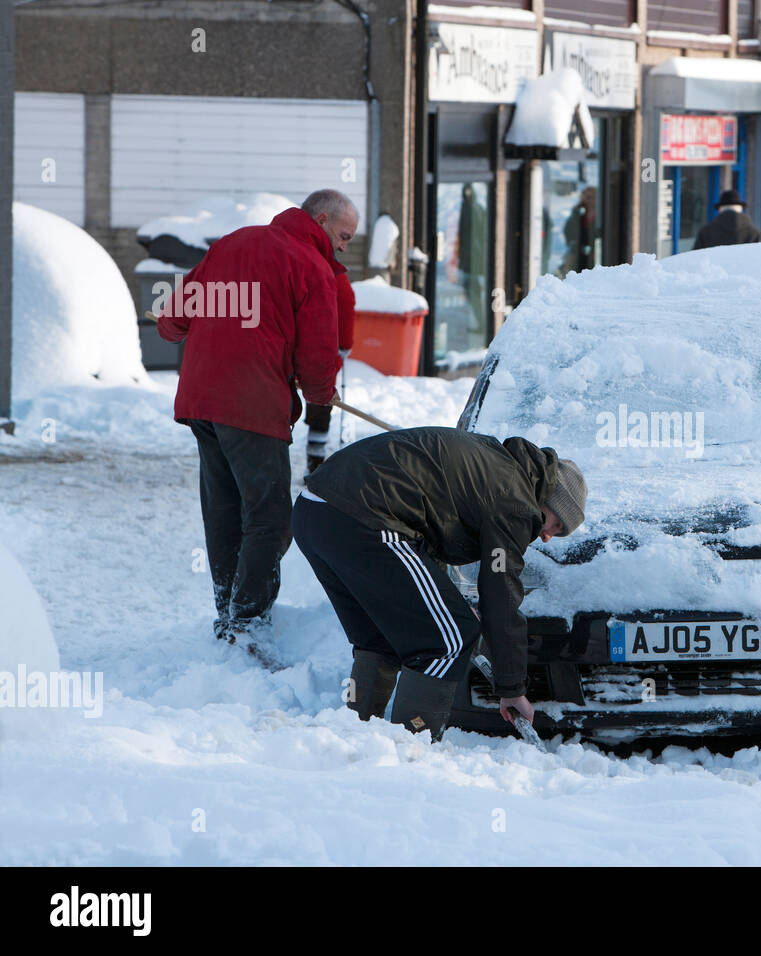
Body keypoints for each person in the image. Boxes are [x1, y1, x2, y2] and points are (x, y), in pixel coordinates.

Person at [157, 189, 358, 649]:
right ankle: (248, 623)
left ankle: (227, 614)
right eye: (344, 235)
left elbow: (172, 320)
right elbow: (318, 352)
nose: (345, 246)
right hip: (251, 406)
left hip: (201, 402)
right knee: (269, 518)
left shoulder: (231, 243)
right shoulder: (310, 266)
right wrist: (322, 394)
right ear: (322, 220)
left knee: (224, 510)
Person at [293, 427, 587, 741]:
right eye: (555, 525)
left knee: (379, 639)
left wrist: (447, 603)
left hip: (315, 511)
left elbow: (429, 533)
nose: (545, 537)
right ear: (549, 500)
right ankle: (411, 745)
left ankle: (352, 734)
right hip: (364, 517)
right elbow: (501, 594)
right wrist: (512, 687)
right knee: (449, 640)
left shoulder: (494, 463)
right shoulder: (516, 502)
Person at [304, 272, 356, 477]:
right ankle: (314, 461)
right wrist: (344, 344)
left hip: (304, 345)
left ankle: (314, 458)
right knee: (320, 400)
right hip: (321, 347)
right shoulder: (331, 268)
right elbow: (346, 302)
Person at [692, 188, 761, 250]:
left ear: (720, 210)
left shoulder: (705, 232)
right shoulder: (753, 233)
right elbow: (759, 260)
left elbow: (694, 259)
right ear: (740, 209)